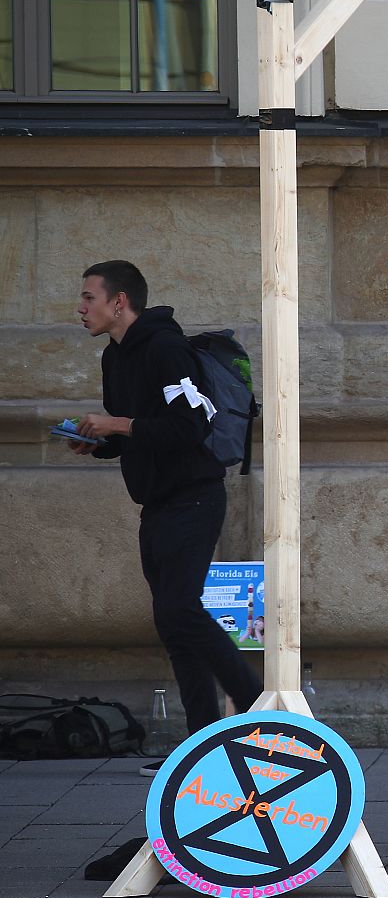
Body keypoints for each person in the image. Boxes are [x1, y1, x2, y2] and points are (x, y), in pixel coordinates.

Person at [73, 261, 263, 775]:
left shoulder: (165, 348)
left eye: (89, 297)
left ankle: (257, 707)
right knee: (173, 624)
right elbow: (140, 434)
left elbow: (189, 424)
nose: (81, 307)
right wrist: (97, 442)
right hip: (156, 501)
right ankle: (201, 748)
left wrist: (116, 424)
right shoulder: (115, 358)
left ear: (120, 302)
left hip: (195, 497)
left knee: (181, 610)